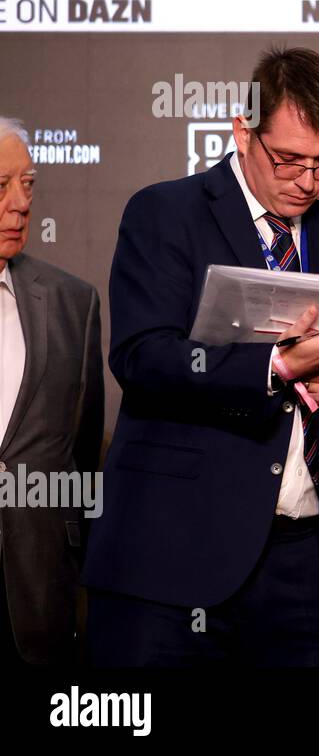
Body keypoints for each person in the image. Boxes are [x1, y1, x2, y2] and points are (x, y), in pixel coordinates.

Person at [83, 48, 319, 666]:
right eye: (288, 158)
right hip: (173, 562)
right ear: (243, 132)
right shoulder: (165, 213)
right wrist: (275, 369)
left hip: (306, 568)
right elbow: (141, 357)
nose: (308, 181)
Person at [0, 118, 104, 665]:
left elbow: (83, 455)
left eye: (29, 183)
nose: (20, 203)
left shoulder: (73, 303)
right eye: (1, 186)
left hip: (41, 594)